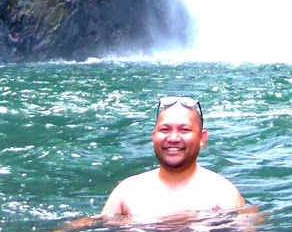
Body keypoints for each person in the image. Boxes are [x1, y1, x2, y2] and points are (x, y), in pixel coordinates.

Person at [99, 95, 247, 224]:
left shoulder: (223, 194)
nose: (173, 138)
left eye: (184, 130)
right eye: (165, 130)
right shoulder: (127, 192)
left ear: (202, 139)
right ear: (153, 136)